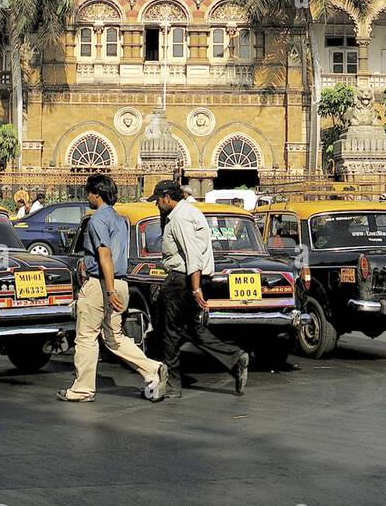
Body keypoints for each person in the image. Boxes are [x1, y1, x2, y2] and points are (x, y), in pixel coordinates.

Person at [58, 173, 168, 404]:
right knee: (114, 337)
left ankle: (82, 389)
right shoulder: (121, 219)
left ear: (96, 194)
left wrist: (108, 290)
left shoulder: (98, 219)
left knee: (87, 336)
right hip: (121, 282)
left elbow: (104, 255)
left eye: (88, 192)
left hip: (101, 284)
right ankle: (152, 369)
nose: (87, 196)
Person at [151, 180, 249, 399]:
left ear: (167, 197)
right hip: (193, 278)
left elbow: (192, 254)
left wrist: (195, 289)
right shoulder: (188, 212)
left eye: (158, 200)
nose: (156, 205)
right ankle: (234, 358)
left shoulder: (180, 217)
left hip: (183, 280)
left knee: (169, 333)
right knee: (193, 329)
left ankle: (173, 386)